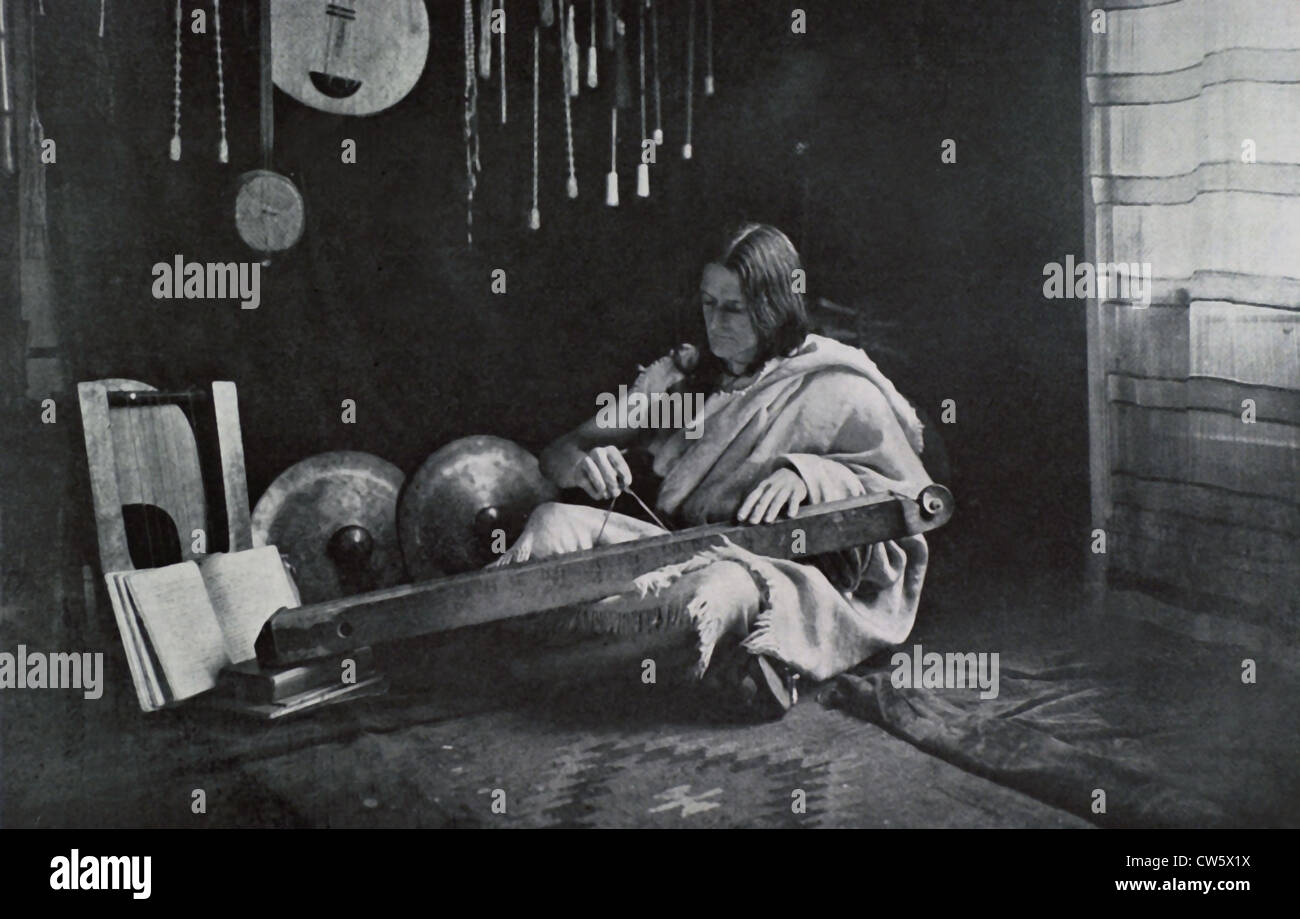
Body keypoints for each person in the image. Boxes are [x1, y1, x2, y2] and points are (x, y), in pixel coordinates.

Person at [497, 223, 935, 717]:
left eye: (734, 308)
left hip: (764, 568)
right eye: (708, 303)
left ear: (774, 306)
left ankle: (533, 661)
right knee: (551, 523)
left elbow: (913, 507)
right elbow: (561, 450)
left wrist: (812, 475)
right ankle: (647, 659)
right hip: (673, 548)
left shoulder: (836, 387)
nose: (715, 322)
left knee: (709, 599)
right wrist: (583, 463)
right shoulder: (683, 380)